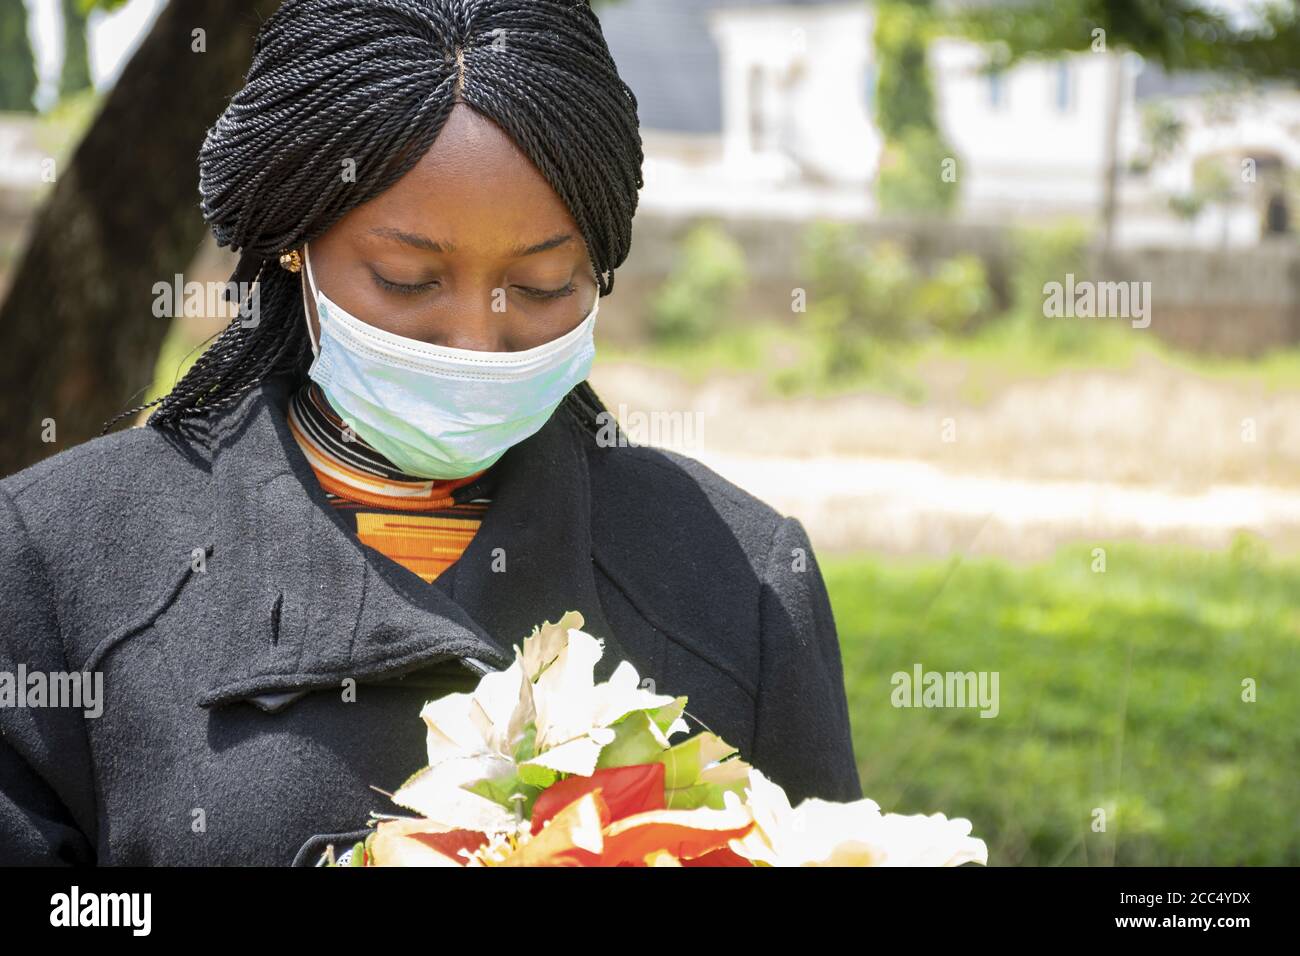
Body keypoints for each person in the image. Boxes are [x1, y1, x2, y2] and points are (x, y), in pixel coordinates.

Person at [0, 0, 860, 866]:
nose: (475, 343)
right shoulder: (60, 567)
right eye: (408, 280)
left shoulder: (737, 577)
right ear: (296, 242)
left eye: (541, 285)